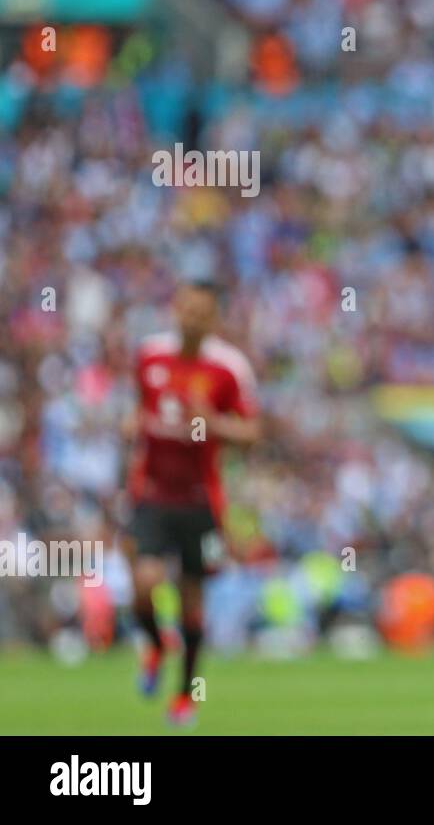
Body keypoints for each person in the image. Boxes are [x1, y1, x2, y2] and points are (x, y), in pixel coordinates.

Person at [123, 280, 260, 727]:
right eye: (187, 310)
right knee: (143, 586)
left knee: (192, 601)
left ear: (214, 318)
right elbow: (140, 409)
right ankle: (156, 647)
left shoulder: (228, 368)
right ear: (175, 309)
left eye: (203, 313)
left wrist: (215, 422)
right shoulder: (150, 355)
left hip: (201, 500)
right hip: (153, 493)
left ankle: (184, 696)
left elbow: (252, 433)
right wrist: (132, 423)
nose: (193, 320)